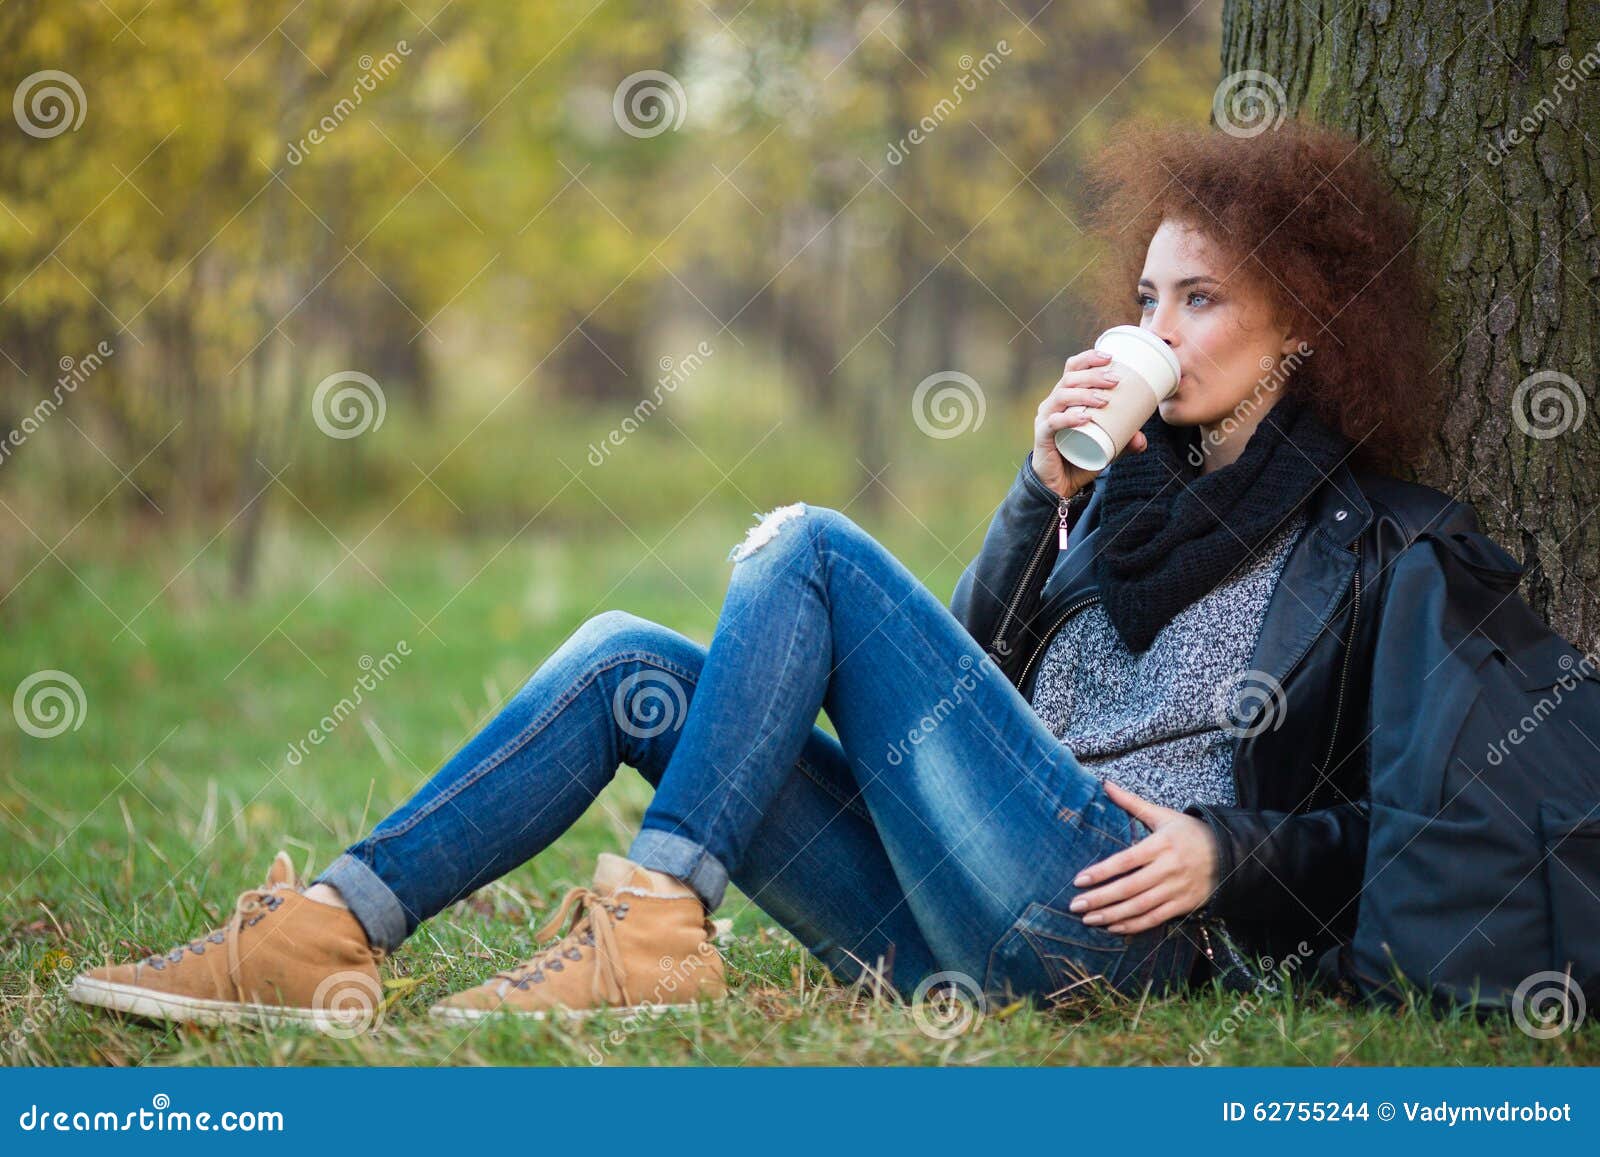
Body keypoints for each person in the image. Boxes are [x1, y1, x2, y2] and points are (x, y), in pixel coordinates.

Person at [69, 116, 1482, 1026]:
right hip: (948, 908)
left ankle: (657, 920)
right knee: (631, 657)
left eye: (1200, 299)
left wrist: (1231, 853)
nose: (1155, 326)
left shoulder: (1374, 544)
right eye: (1146, 296)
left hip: (1105, 922)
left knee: (807, 543)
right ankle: (326, 928)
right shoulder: (1122, 496)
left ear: (1300, 324)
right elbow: (952, 697)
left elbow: (1422, 829)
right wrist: (1038, 492)